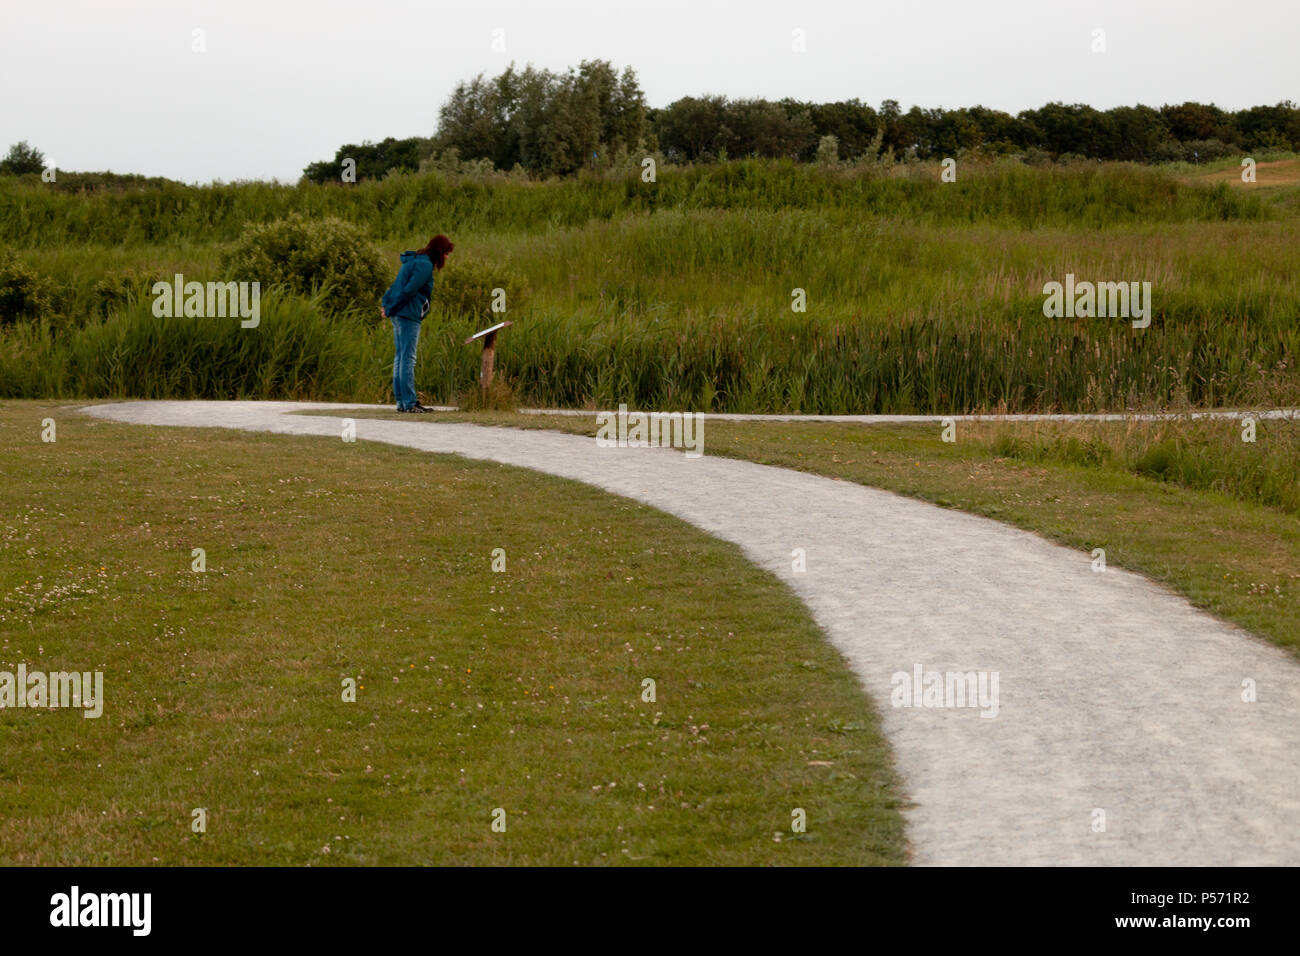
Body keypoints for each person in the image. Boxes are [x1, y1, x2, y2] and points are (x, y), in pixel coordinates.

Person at [380, 234, 454, 412]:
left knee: (401, 357)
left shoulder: (413, 261)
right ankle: (410, 403)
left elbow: (395, 285)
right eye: (446, 253)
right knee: (408, 359)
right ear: (439, 251)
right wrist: (390, 307)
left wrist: (386, 304)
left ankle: (402, 403)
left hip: (398, 313)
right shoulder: (425, 265)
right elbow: (408, 290)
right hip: (408, 314)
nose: (447, 257)